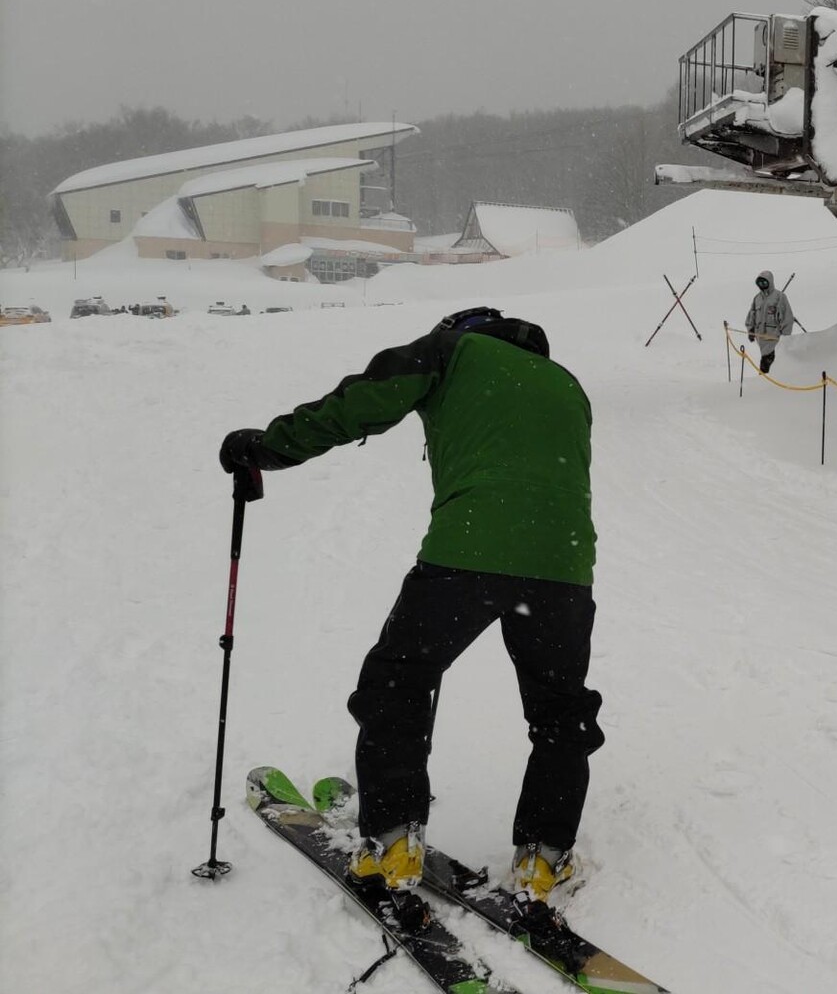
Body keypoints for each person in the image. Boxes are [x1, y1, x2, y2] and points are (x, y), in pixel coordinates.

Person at [217, 305, 602, 914]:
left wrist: (265, 448)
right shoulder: (567, 384)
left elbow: (361, 402)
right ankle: (545, 856)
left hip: (467, 550)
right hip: (564, 568)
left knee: (399, 681)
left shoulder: (451, 351)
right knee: (560, 710)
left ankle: (394, 843)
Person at [744, 272, 794, 373]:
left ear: (770, 282)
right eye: (760, 283)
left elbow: (787, 319)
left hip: (775, 342)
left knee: (769, 369)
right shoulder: (757, 299)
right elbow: (751, 315)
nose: (762, 285)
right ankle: (766, 385)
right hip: (761, 341)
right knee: (766, 367)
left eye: (764, 282)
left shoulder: (780, 297)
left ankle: (767, 386)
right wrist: (751, 330)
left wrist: (785, 339)